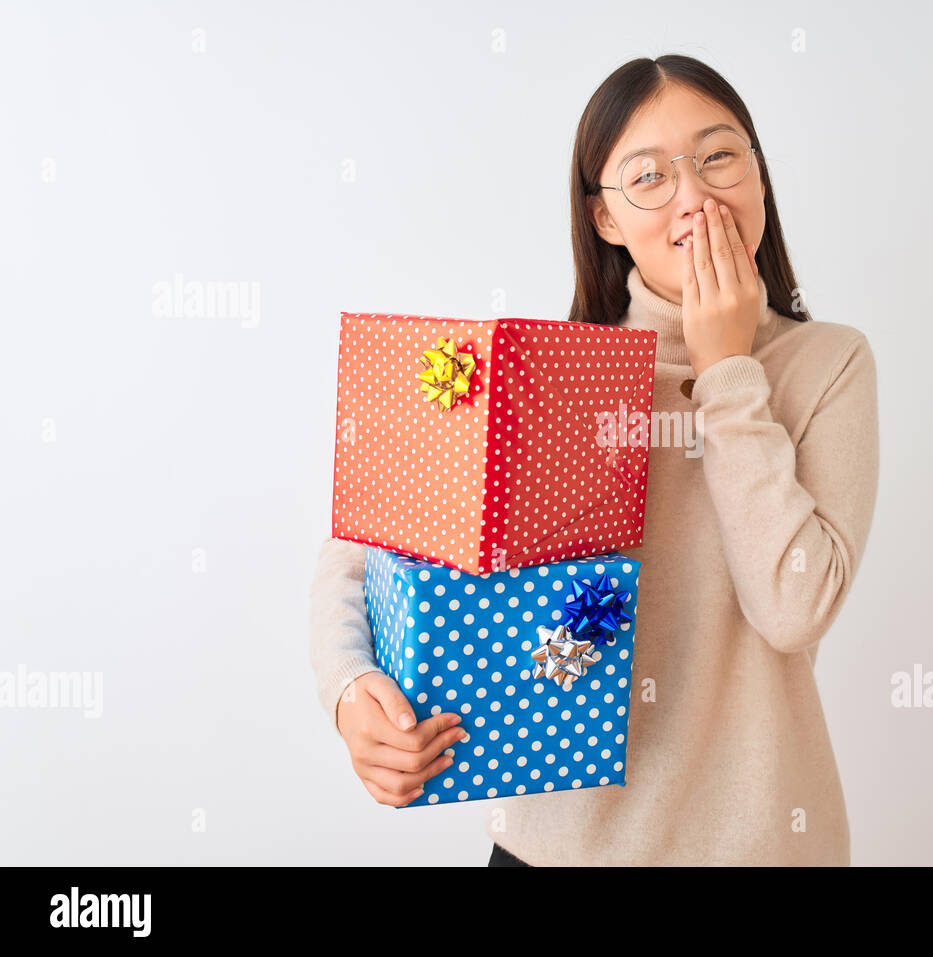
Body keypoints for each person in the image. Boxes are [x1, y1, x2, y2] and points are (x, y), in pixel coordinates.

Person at [309, 54, 879, 866]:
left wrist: (726, 372)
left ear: (759, 174)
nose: (695, 197)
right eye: (648, 175)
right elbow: (362, 548)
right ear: (605, 217)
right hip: (556, 847)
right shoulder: (549, 371)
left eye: (719, 156)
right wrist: (349, 691)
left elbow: (792, 607)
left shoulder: (829, 364)